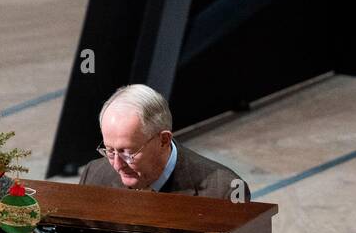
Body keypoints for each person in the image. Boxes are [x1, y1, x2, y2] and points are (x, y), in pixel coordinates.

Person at [78, 84, 240, 199]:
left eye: (127, 152)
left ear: (163, 140)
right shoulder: (94, 176)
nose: (117, 165)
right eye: (110, 151)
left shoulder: (223, 191)